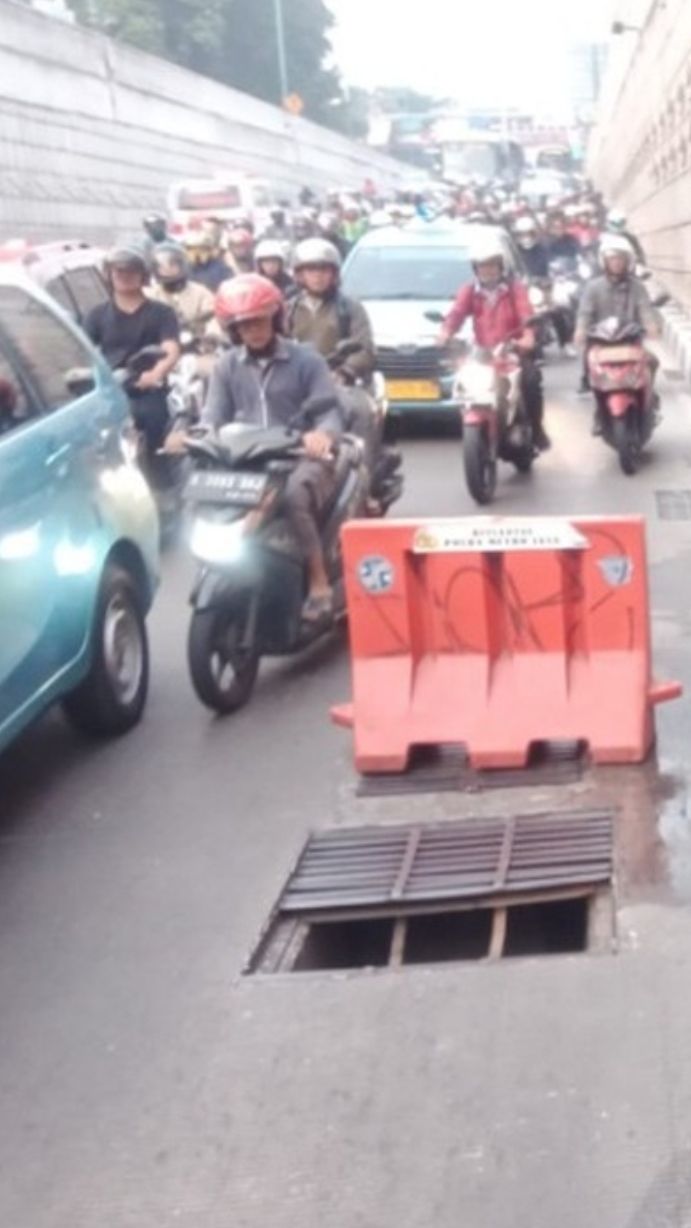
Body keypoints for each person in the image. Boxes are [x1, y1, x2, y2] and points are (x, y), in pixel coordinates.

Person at [202, 275, 344, 622]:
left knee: (295, 496)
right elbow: (212, 415)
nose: (254, 329)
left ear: (276, 318)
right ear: (233, 330)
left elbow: (329, 410)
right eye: (244, 324)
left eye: (260, 320)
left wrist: (321, 434)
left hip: (300, 457)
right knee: (206, 492)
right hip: (248, 459)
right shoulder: (227, 366)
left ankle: (318, 580)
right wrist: (193, 436)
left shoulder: (306, 361)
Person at [439, 233, 551, 451]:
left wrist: (527, 337)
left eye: (492, 265)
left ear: (501, 266)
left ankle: (536, 430)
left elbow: (525, 312)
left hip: (512, 351)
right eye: (482, 266)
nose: (487, 270)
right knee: (465, 385)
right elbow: (456, 314)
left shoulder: (514, 289)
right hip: (483, 353)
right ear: (475, 268)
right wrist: (445, 332)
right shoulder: (469, 291)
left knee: (530, 381)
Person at [85, 244, 180, 483]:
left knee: (158, 434)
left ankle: (163, 488)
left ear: (143, 275)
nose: (125, 277)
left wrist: (156, 373)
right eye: (119, 272)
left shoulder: (162, 312)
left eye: (131, 271)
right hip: (111, 391)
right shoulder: (96, 315)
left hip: (149, 389)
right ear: (109, 276)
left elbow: (171, 348)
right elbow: (84, 352)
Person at [575, 234, 659, 424]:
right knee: (592, 368)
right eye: (612, 259)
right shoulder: (593, 287)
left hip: (630, 341)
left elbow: (644, 308)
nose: (616, 263)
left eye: (620, 259)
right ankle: (600, 411)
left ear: (628, 261)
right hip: (602, 343)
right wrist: (581, 330)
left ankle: (648, 400)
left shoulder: (637, 287)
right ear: (604, 261)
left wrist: (651, 326)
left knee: (652, 362)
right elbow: (585, 312)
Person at [148, 242, 215, 340]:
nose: (167, 269)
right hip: (160, 343)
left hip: (196, 342)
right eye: (162, 266)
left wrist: (209, 334)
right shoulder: (150, 295)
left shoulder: (200, 292)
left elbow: (214, 317)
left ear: (182, 265)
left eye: (172, 264)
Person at [184, 223, 229, 292]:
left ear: (209, 250)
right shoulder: (183, 269)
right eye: (192, 249)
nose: (196, 253)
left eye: (202, 248)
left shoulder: (222, 269)